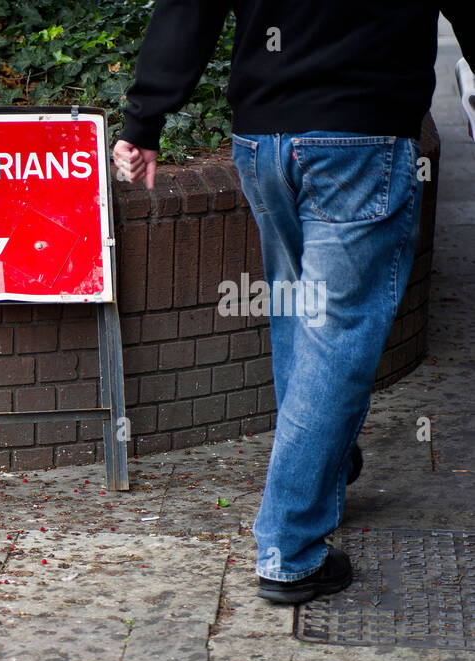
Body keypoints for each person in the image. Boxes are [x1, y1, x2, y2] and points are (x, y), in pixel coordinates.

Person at [115, 2, 475, 604]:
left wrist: (145, 118)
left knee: (299, 312)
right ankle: (289, 549)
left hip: (264, 139)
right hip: (359, 135)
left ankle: (323, 466)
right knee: (336, 336)